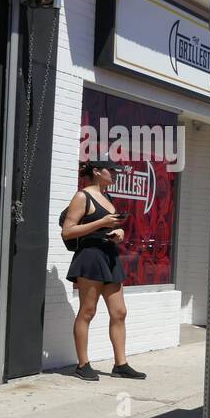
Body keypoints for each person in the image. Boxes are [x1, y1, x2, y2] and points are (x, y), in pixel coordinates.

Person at [61, 161, 146, 380]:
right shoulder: (82, 197)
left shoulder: (108, 198)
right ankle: (83, 365)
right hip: (90, 258)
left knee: (120, 312)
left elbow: (110, 227)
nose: (116, 174)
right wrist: (100, 224)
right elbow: (68, 231)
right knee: (87, 312)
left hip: (109, 256)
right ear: (97, 172)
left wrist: (118, 233)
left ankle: (121, 364)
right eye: (112, 170)